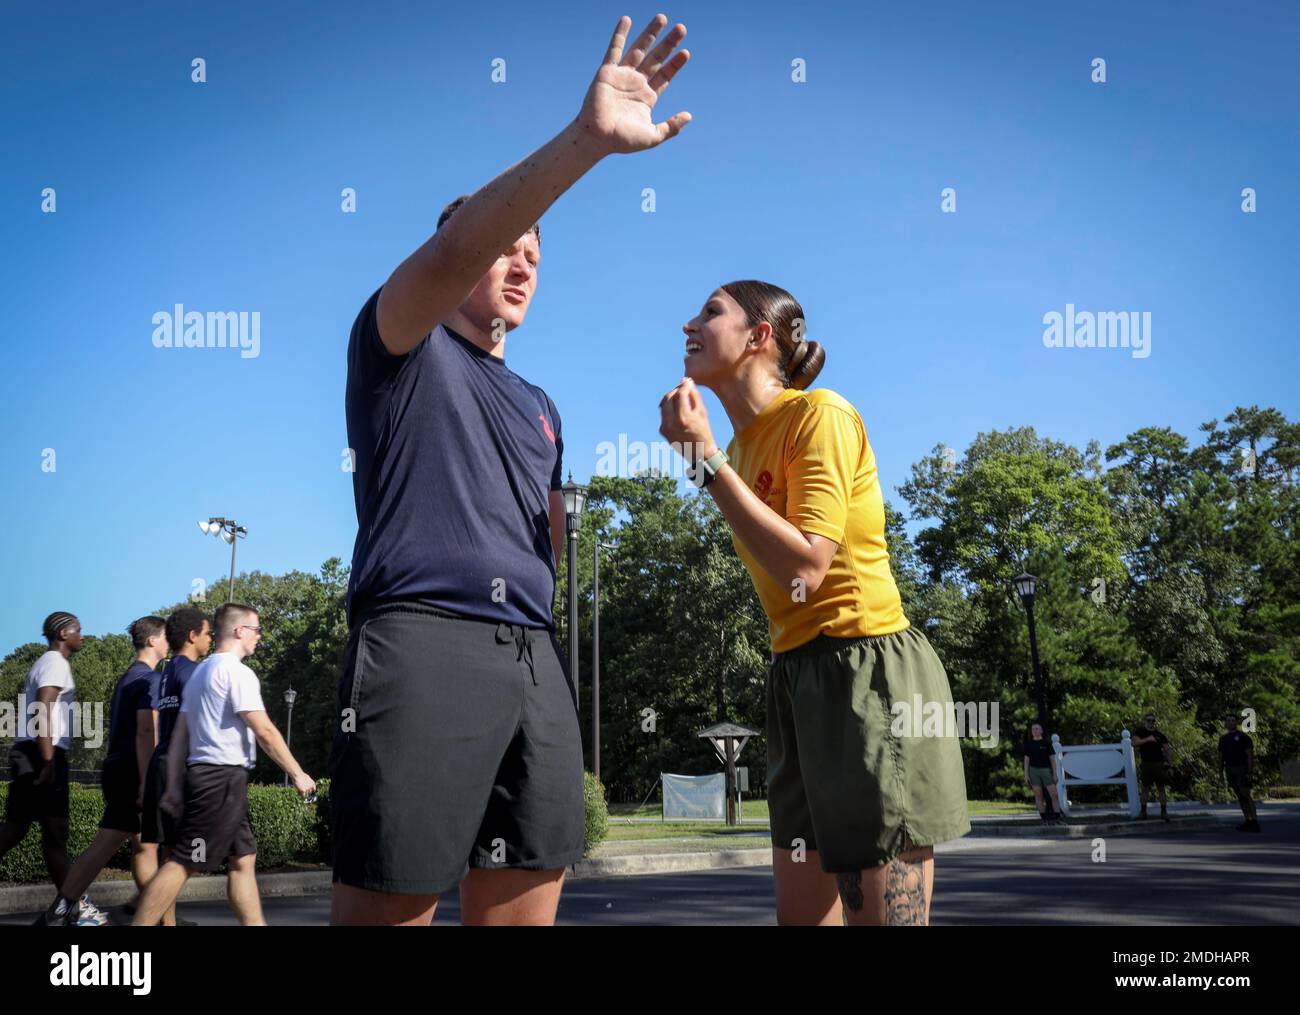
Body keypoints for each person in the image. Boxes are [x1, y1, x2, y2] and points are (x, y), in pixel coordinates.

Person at [330, 13, 692, 926]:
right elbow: (454, 252)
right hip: (424, 636)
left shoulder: (541, 402)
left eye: (536, 255)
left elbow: (545, 535)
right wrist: (588, 142)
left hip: (532, 654)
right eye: (507, 245)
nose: (523, 262)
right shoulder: (399, 344)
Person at [659, 282, 970, 925]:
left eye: (710, 312)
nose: (688, 322)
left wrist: (703, 458)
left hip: (867, 674)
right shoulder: (740, 451)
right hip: (794, 678)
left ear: (758, 337)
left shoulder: (819, 414)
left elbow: (807, 564)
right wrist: (706, 458)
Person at [132, 604, 314, 926]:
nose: (260, 637)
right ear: (239, 631)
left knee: (243, 860)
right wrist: (298, 773)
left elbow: (179, 740)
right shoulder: (236, 672)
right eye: (256, 630)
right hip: (221, 779)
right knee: (185, 861)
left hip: (213, 777)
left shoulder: (200, 673)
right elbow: (265, 731)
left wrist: (175, 787)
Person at [36, 617, 167, 926]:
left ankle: (155, 913)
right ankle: (59, 910)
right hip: (134, 770)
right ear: (151, 641)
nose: (168, 643)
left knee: (145, 845)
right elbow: (146, 733)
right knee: (107, 842)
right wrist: (148, 781)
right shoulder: (149, 679)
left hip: (119, 766)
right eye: (164, 637)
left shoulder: (128, 677)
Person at [0, 612, 108, 925]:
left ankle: (69, 906)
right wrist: (47, 759)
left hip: (32, 752)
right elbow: (43, 707)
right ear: (62, 633)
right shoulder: (55, 662)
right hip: (40, 753)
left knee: (23, 830)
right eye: (78, 629)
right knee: (52, 833)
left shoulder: (48, 662)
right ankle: (75, 906)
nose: (82, 635)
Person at [136, 607, 212, 926]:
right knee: (188, 856)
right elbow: (200, 721)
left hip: (161, 761)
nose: (210, 639)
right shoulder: (193, 672)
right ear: (193, 636)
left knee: (170, 854)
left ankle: (167, 924)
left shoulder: (168, 670)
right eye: (207, 633)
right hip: (180, 766)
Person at [1219, 715, 1259, 832]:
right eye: (1228, 720)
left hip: (1242, 768)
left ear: (1236, 722)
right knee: (1240, 797)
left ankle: (1255, 821)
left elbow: (1250, 755)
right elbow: (1220, 757)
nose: (1231, 722)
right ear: (1225, 724)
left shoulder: (1244, 737)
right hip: (1230, 769)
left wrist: (1249, 771)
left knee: (1246, 794)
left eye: (1233, 720)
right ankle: (1248, 820)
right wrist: (1220, 772)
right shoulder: (1223, 739)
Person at [1132, 712, 1172, 820]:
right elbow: (1134, 743)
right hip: (1146, 763)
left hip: (1159, 764)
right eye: (1149, 720)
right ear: (1145, 721)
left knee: (1161, 788)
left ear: (1155, 722)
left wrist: (1170, 764)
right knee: (1145, 788)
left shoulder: (1160, 735)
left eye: (1153, 720)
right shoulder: (1140, 732)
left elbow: (1167, 749)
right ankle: (1143, 812)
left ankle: (1164, 812)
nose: (1151, 722)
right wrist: (1147, 739)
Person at [1022, 722, 1063, 823]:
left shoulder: (1047, 743)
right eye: (1033, 729)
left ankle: (1058, 818)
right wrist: (1026, 775)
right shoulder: (1029, 744)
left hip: (1046, 770)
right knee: (1038, 796)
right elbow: (1026, 760)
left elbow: (1053, 760)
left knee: (1054, 794)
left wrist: (1054, 773)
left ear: (1041, 731)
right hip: (1033, 771)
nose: (1034, 731)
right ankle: (1044, 819)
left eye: (1036, 729)